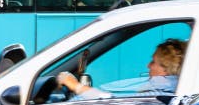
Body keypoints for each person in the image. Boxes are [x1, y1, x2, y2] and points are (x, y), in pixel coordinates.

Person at [57, 38, 188, 100]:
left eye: (153, 62)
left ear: (165, 69)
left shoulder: (159, 95)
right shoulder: (172, 88)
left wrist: (76, 87)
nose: (148, 65)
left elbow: (110, 102)